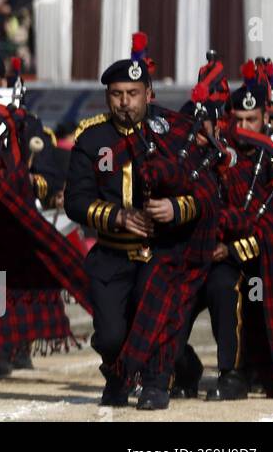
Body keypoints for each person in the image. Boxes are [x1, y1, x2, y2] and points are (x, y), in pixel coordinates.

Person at [65, 33, 220, 410]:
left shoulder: (176, 132)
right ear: (107, 96)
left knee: (156, 322)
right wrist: (117, 216)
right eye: (117, 94)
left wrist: (175, 208)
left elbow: (207, 190)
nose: (124, 102)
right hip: (113, 255)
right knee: (111, 335)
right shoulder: (91, 138)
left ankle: (155, 383)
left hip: (163, 253)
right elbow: (76, 201)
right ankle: (126, 371)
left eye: (132, 93)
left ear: (148, 94)